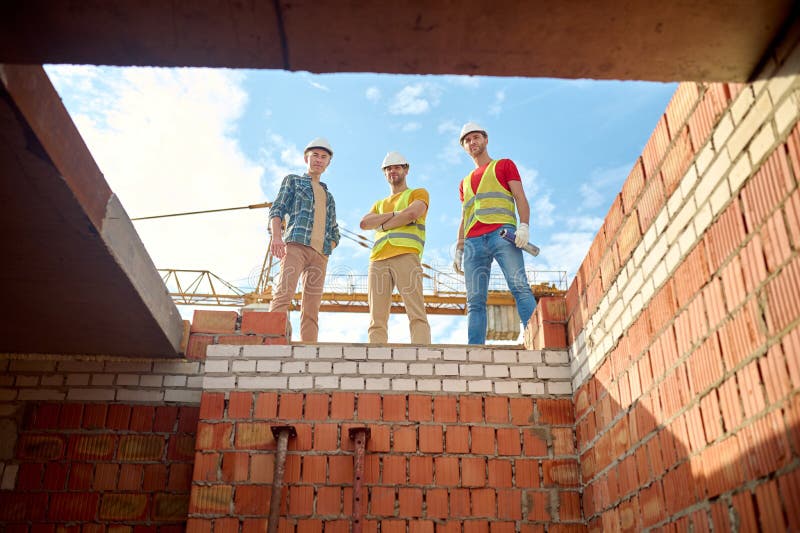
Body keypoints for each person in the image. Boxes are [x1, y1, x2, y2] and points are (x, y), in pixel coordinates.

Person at [453, 122, 537, 345]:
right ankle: (475, 350)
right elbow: (465, 215)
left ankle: (537, 338)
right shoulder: (464, 183)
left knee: (519, 287)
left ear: (485, 139)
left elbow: (520, 196)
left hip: (502, 235)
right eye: (467, 140)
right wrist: (459, 246)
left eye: (476, 137)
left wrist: (524, 226)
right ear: (464, 147)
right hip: (473, 242)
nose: (473, 142)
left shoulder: (504, 165)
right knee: (475, 301)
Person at [268, 137, 340, 342]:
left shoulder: (329, 196)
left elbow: (334, 230)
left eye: (323, 157)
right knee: (283, 295)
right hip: (295, 247)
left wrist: (328, 248)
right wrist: (277, 237)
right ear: (306, 158)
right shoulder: (293, 181)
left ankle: (309, 350)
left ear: (328, 163)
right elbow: (277, 209)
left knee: (311, 308)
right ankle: (272, 342)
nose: (319, 159)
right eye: (315, 155)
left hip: (320, 255)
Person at [360, 152, 431, 344]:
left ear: (406, 170)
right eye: (389, 168)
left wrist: (382, 224)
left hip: (406, 255)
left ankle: (422, 353)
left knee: (416, 312)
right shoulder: (380, 203)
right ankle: (375, 356)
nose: (393, 171)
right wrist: (395, 214)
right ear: (384, 173)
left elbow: (412, 213)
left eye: (397, 167)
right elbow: (365, 223)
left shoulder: (418, 193)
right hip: (378, 260)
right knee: (377, 317)